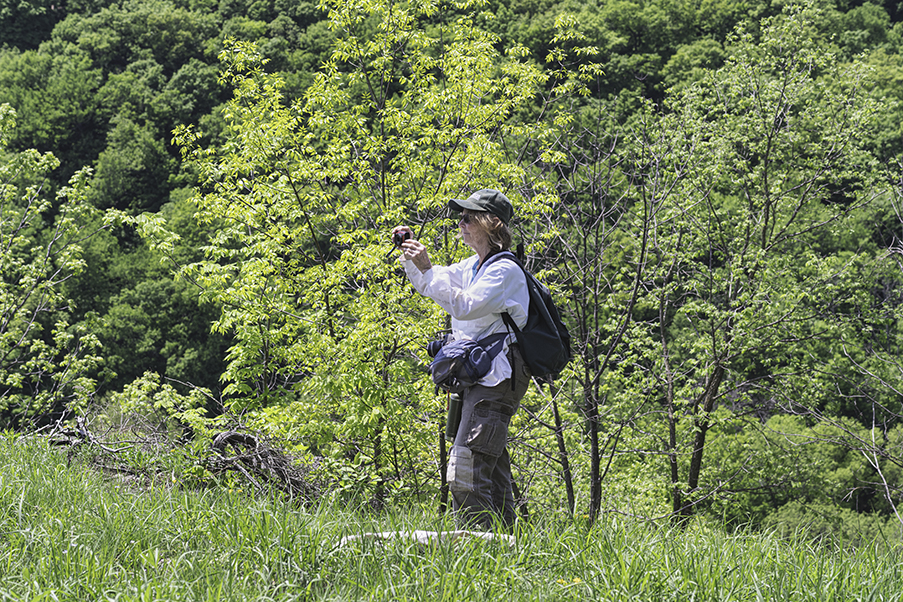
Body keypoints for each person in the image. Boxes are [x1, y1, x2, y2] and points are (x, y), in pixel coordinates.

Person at [393, 189, 531, 530]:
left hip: (497, 380)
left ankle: (476, 543)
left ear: (492, 224)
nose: (461, 223)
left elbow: (464, 304)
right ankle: (505, 546)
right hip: (481, 379)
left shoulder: (505, 272)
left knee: (466, 464)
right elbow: (431, 284)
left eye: (469, 217)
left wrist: (427, 266)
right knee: (491, 464)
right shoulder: (473, 265)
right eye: (461, 217)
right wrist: (412, 260)